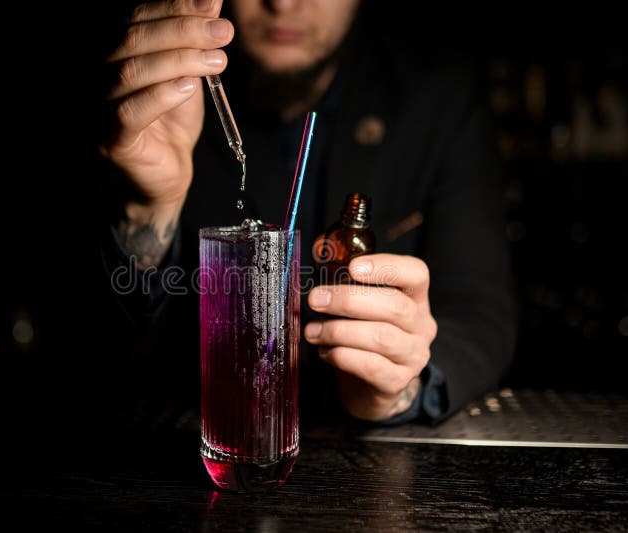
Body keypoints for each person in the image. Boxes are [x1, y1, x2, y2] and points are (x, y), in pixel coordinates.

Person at [97, 0, 516, 425]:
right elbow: (95, 349)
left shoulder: (439, 94)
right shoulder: (164, 98)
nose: (282, 3)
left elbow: (479, 311)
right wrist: (149, 203)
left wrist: (399, 386)